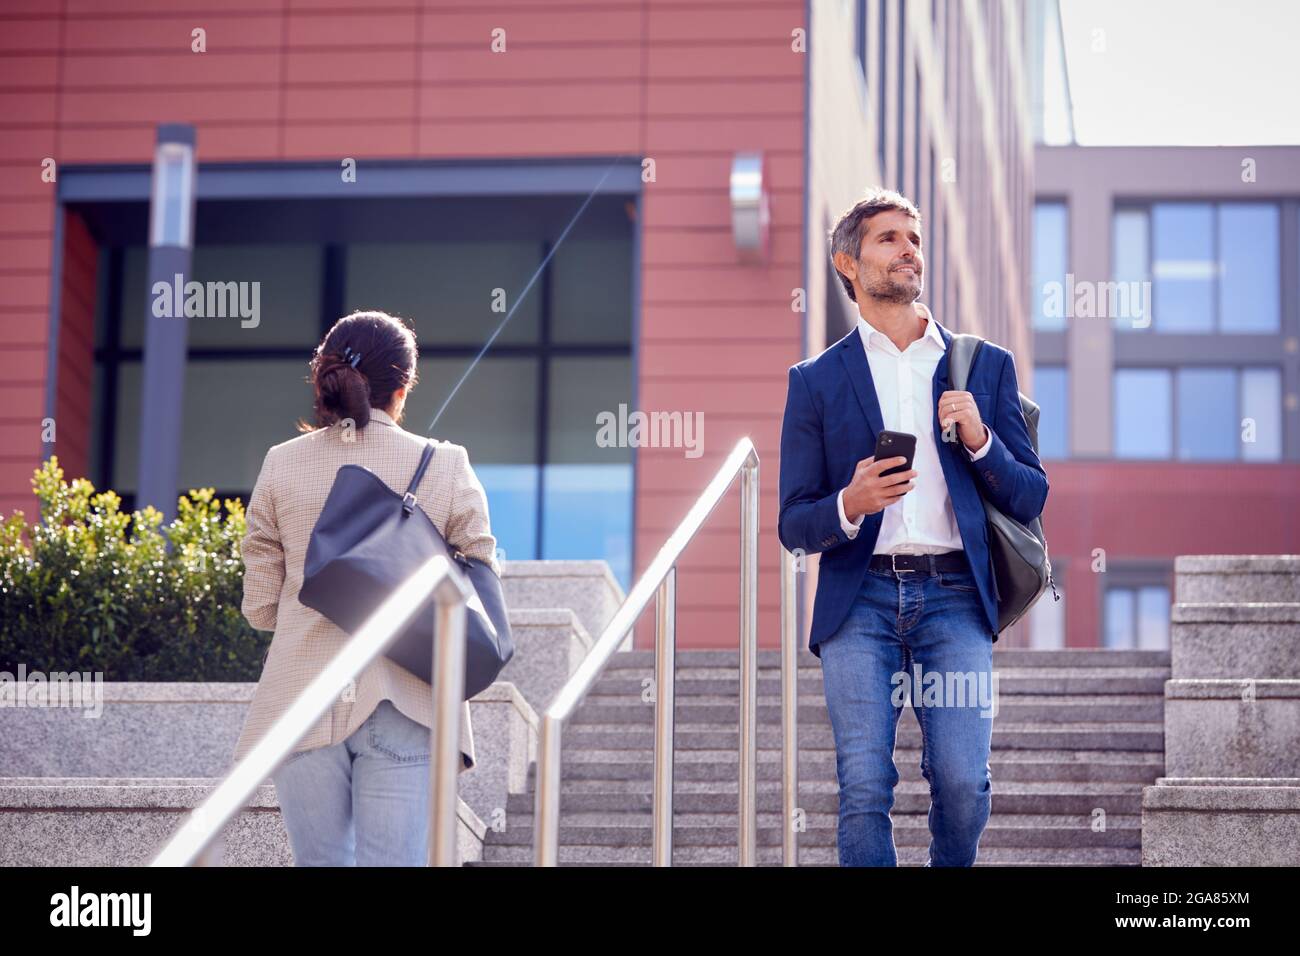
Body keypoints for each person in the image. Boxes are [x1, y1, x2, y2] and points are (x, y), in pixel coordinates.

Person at [777, 189, 1048, 866]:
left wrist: (983, 440)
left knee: (961, 782)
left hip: (956, 599)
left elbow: (1031, 492)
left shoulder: (982, 365)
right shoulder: (815, 380)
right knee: (863, 785)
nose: (908, 251)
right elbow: (793, 523)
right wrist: (852, 501)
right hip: (858, 601)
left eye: (914, 239)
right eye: (889, 239)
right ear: (849, 262)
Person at [229, 309, 501, 866]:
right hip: (406, 697)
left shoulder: (281, 465)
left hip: (301, 699)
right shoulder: (445, 465)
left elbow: (259, 607)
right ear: (402, 388)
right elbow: (480, 569)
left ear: (325, 377)